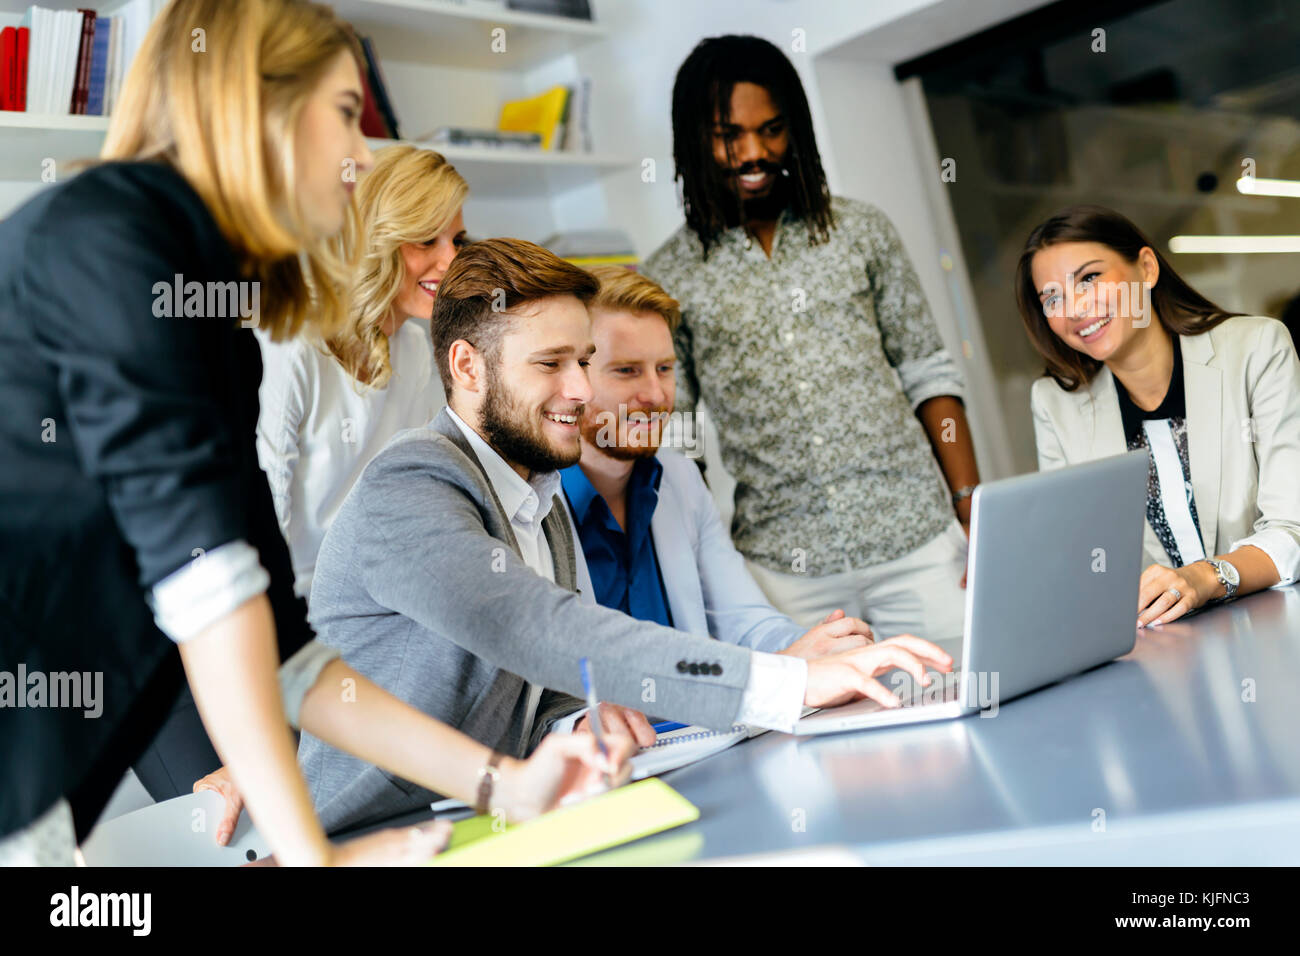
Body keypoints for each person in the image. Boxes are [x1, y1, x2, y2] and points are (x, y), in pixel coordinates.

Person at [0, 0, 626, 867]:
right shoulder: (112, 239)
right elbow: (207, 593)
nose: (362, 155)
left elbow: (287, 650)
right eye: (343, 114)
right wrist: (313, 857)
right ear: (255, 107)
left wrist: (500, 785)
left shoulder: (219, 329)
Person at [299, 237, 954, 833]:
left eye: (584, 361)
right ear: (468, 368)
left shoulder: (537, 488)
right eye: (552, 363)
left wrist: (581, 718)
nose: (580, 390)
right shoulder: (411, 483)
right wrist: (788, 684)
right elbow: (537, 629)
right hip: (369, 833)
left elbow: (537, 681)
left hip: (491, 818)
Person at [641, 35, 977, 643]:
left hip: (918, 539)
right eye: (728, 136)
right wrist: (698, 570)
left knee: (973, 705)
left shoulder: (861, 231)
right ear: (694, 139)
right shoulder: (667, 277)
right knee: (828, 735)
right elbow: (677, 439)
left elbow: (928, 373)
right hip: (783, 572)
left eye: (772, 130)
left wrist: (969, 502)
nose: (755, 152)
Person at [561, 266, 876, 669]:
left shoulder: (679, 478)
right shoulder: (535, 505)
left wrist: (816, 647)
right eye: (626, 370)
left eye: (664, 368)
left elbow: (745, 621)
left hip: (699, 729)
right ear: (576, 376)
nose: (656, 395)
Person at [1018, 204, 1300, 627]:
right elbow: (1081, 561)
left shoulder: (1256, 349)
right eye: (1052, 297)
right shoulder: (1054, 404)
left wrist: (1205, 578)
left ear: (1146, 269)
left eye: (1089, 278)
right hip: (1163, 648)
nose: (1074, 309)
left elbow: (1293, 527)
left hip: (1278, 619)